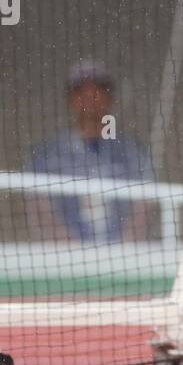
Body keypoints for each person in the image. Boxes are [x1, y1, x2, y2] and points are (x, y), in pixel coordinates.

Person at [26, 63, 155, 244]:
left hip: (125, 257)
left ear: (109, 97)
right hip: (65, 259)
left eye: (98, 90)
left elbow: (145, 204)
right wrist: (72, 248)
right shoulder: (47, 154)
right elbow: (39, 208)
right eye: (81, 91)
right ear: (70, 99)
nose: (90, 96)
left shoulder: (131, 150)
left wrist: (123, 247)